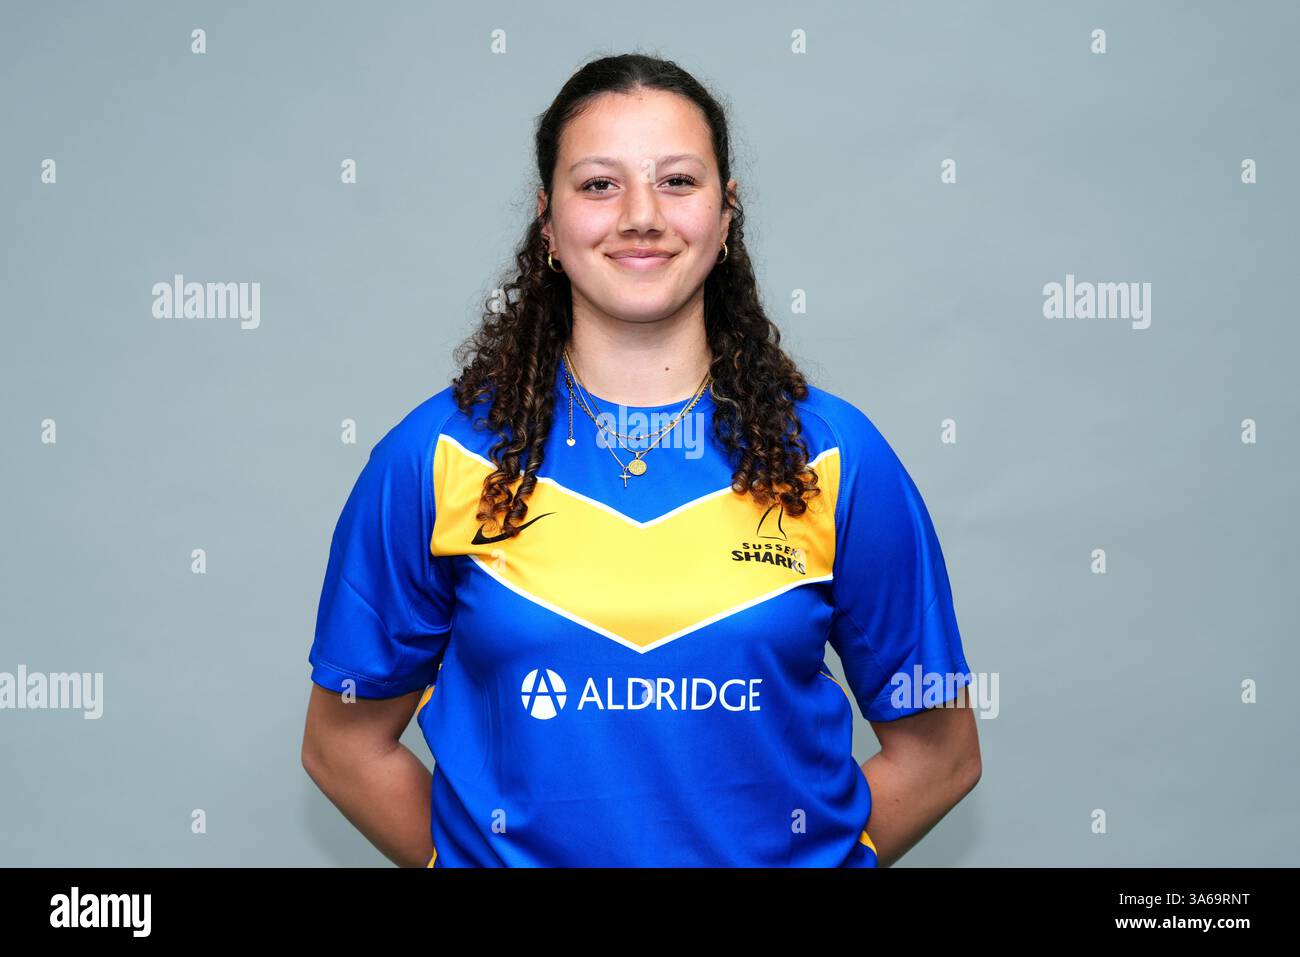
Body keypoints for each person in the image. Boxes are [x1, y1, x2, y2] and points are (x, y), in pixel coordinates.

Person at [300, 52, 981, 868]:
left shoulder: (834, 458)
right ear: (548, 226)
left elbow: (941, 754)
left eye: (678, 181)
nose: (641, 216)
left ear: (727, 218)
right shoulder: (436, 456)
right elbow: (343, 744)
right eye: (599, 184)